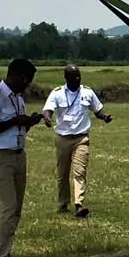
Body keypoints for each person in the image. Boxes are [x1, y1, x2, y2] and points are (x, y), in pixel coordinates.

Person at [0, 58, 44, 257]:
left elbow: (16, 127)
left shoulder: (18, 98)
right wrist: (15, 121)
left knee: (15, 209)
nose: (27, 85)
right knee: (9, 206)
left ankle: (4, 250)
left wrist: (28, 123)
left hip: (18, 155)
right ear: (15, 75)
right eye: (25, 80)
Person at [43, 63, 113, 217]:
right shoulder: (57, 93)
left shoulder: (87, 92)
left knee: (79, 172)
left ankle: (78, 204)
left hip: (81, 139)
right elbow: (48, 109)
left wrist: (105, 117)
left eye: (79, 76)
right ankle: (63, 202)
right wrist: (47, 118)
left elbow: (97, 110)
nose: (77, 79)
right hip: (63, 138)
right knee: (63, 173)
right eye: (74, 77)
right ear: (66, 78)